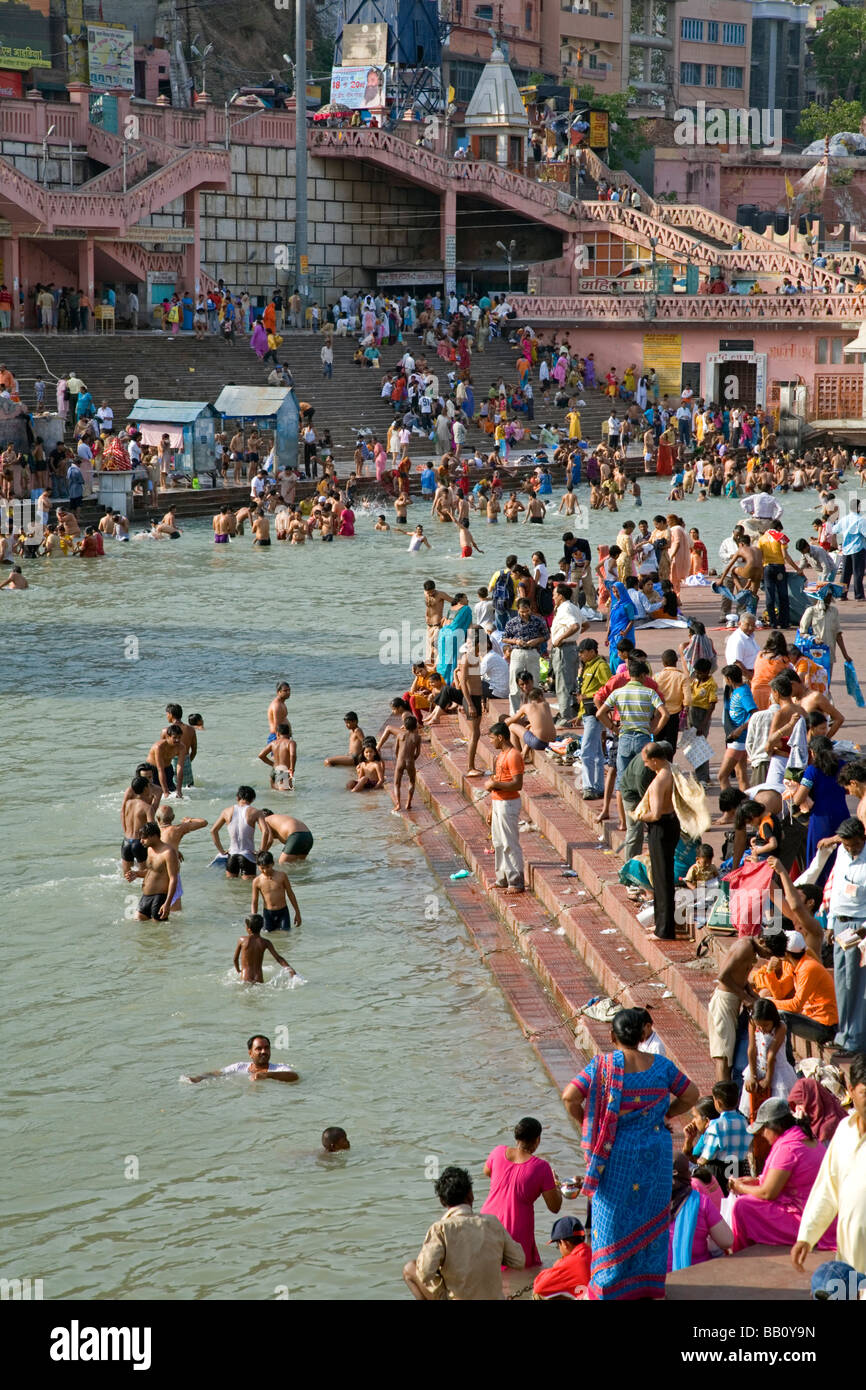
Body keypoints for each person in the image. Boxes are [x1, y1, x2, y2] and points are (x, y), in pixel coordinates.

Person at [561, 1008, 698, 1300]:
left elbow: (570, 1096)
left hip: (615, 1155)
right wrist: (665, 1114)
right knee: (650, 1218)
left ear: (612, 1036)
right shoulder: (661, 1066)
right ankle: (646, 1286)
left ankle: (609, 1287)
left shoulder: (601, 1065)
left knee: (610, 1219)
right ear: (642, 1035)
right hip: (655, 1155)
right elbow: (692, 1094)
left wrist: (589, 1122)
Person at [793, 1052, 866, 1296]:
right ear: (851, 1090)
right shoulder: (845, 1131)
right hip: (850, 1258)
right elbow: (826, 1188)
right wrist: (807, 1235)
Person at [729, 1098, 837, 1252]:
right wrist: (756, 1181)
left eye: (763, 1131)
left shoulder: (788, 1148)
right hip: (824, 1216)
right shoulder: (804, 1137)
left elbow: (768, 1193)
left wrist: (740, 1187)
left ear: (775, 1127)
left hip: (809, 1221)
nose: (764, 1137)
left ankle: (741, 1253)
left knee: (742, 1206)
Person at [403, 1165, 524, 1300]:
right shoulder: (492, 1222)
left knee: (409, 1269)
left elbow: (424, 1274)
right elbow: (519, 1260)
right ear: (471, 1195)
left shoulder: (440, 1230)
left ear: (443, 1201)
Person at [480, 1117, 562, 1267]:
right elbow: (555, 1207)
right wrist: (556, 1184)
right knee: (518, 1274)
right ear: (537, 1140)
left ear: (516, 1137)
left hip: (487, 1222)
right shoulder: (541, 1168)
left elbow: (487, 1171)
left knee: (489, 1269)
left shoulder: (498, 1151)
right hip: (516, 1228)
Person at [822, 816, 866, 1058]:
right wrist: (830, 924)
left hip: (860, 928)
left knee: (857, 983)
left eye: (854, 845)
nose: (850, 849)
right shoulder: (841, 853)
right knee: (842, 982)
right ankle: (844, 1034)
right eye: (847, 845)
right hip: (840, 926)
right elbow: (837, 889)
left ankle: (856, 1039)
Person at [761, 928, 839, 1062]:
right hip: (811, 1019)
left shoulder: (808, 968)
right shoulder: (797, 964)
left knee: (780, 1015)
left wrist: (770, 1003)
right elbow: (779, 994)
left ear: (786, 953)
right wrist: (770, 971)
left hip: (825, 1028)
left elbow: (796, 1005)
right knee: (769, 1005)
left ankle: (787, 1062)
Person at [668, 1154, 733, 1270]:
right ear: (688, 1174)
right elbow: (727, 1241)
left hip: (656, 1279)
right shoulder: (700, 1201)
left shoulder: (648, 1204)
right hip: (698, 1272)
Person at [486, 722, 524, 894]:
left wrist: (495, 783)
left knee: (509, 843)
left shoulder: (514, 755)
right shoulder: (500, 755)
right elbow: (498, 782)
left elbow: (517, 784)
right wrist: (490, 808)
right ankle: (502, 878)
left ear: (500, 738)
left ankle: (516, 881)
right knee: (498, 843)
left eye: (492, 738)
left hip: (508, 803)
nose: (491, 742)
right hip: (497, 802)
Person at [576, 638, 611, 800]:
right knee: (597, 752)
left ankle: (589, 786)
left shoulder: (601, 666)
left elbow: (609, 689)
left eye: (583, 652)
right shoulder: (587, 666)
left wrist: (588, 696)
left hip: (595, 713)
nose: (581, 655)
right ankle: (598, 787)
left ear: (592, 651)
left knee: (586, 751)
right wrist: (578, 714)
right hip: (587, 712)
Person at [185, 1034, 299, 1084]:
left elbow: (294, 1076)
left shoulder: (278, 1068)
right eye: (259, 1049)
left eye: (266, 1048)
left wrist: (267, 1075)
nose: (264, 1051)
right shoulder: (239, 1067)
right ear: (250, 1053)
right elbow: (218, 1073)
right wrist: (197, 1078)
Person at [124, 821, 179, 922]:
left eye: (144, 838)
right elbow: (151, 871)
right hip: (146, 896)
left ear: (154, 836)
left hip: (159, 897)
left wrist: (167, 903)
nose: (141, 841)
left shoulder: (168, 853)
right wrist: (136, 874)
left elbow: (173, 879)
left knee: (159, 932)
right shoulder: (150, 849)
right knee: (139, 924)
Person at [210, 785, 267, 879]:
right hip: (248, 855)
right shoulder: (256, 812)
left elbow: (213, 830)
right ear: (252, 799)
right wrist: (261, 851)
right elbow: (266, 832)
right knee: (247, 890)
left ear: (237, 797)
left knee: (232, 889)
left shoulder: (226, 811)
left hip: (232, 855)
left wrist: (221, 851)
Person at [532, 1216, 591, 1300]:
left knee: (538, 1295)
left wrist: (558, 1265)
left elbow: (538, 1287)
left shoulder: (571, 1262)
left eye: (557, 1246)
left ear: (563, 1243)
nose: (559, 1249)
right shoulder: (591, 1252)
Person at [549, 584, 583, 726]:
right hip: (572, 647)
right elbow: (584, 625)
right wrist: (573, 636)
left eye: (554, 595)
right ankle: (573, 714)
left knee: (563, 685)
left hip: (564, 649)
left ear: (561, 596)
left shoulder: (565, 609)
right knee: (572, 683)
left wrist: (560, 638)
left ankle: (565, 717)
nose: (553, 597)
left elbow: (575, 625)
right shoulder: (573, 607)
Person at [233, 914, 295, 983]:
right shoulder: (265, 942)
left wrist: (238, 971)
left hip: (245, 977)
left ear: (248, 928)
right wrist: (291, 971)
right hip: (259, 978)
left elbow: (235, 959)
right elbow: (278, 958)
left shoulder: (242, 940)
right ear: (261, 927)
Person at [251, 850, 301, 931]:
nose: (265, 870)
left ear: (273, 864)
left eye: (268, 867)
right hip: (268, 914)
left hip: (283, 912)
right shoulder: (257, 881)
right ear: (258, 866)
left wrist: (297, 913)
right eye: (262, 868)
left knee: (286, 935)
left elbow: (290, 894)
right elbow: (254, 901)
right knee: (269, 936)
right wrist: (253, 918)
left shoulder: (282, 876)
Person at [392, 712, 422, 811]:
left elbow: (395, 750)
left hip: (400, 762)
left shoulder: (400, 735)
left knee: (396, 783)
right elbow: (417, 753)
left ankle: (398, 804)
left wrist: (398, 759)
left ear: (404, 726)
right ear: (415, 726)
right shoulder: (417, 737)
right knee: (412, 782)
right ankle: (408, 803)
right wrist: (413, 760)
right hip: (410, 762)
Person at [258, 722, 296, 791]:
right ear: (289, 733)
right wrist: (292, 769)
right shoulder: (290, 743)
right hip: (283, 770)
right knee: (286, 794)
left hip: (274, 770)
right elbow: (292, 755)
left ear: (277, 733)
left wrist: (272, 764)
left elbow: (261, 755)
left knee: (275, 792)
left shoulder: (273, 743)